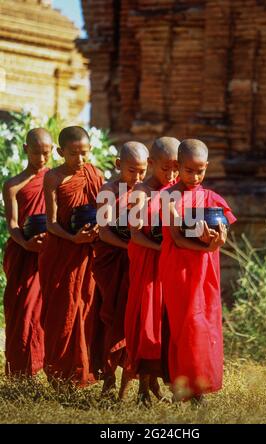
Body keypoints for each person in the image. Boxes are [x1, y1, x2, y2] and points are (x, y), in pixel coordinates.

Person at [159, 139, 237, 402]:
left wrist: (217, 243)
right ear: (177, 166)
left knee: (205, 322)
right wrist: (207, 247)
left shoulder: (211, 198)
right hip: (179, 266)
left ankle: (200, 385)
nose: (195, 176)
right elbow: (178, 238)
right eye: (189, 170)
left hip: (205, 268)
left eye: (200, 170)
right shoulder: (168, 196)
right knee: (186, 323)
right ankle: (184, 385)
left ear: (207, 167)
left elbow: (223, 228)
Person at [39, 126, 103, 386]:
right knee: (61, 312)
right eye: (73, 153)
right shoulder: (53, 177)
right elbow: (51, 223)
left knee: (87, 309)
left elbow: (105, 213)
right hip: (61, 252)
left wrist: (98, 229)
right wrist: (73, 238)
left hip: (89, 252)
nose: (80, 160)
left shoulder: (95, 174)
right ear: (60, 151)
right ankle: (58, 374)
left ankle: (85, 372)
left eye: (84, 153)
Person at [125, 136, 180, 406]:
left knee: (169, 326)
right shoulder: (140, 193)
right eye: (165, 168)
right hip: (148, 265)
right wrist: (163, 249)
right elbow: (135, 235)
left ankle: (168, 384)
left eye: (175, 169)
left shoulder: (177, 190)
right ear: (151, 163)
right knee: (147, 325)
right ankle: (143, 391)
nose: (170, 174)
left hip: (171, 269)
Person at [94, 141, 149, 399]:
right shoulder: (107, 191)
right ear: (118, 165)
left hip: (138, 265)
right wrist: (129, 246)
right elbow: (104, 233)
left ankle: (126, 389)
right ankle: (108, 382)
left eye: (142, 171)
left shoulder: (146, 192)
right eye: (131, 171)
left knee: (133, 324)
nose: (137, 177)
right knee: (112, 321)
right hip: (113, 263)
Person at [3, 128, 53, 376]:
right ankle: (22, 371)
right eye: (36, 153)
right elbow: (12, 223)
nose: (41, 159)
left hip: (52, 252)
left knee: (48, 310)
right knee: (23, 310)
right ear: (25, 150)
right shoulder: (12, 185)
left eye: (46, 153)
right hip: (23, 252)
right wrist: (25, 243)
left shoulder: (57, 179)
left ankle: (53, 368)